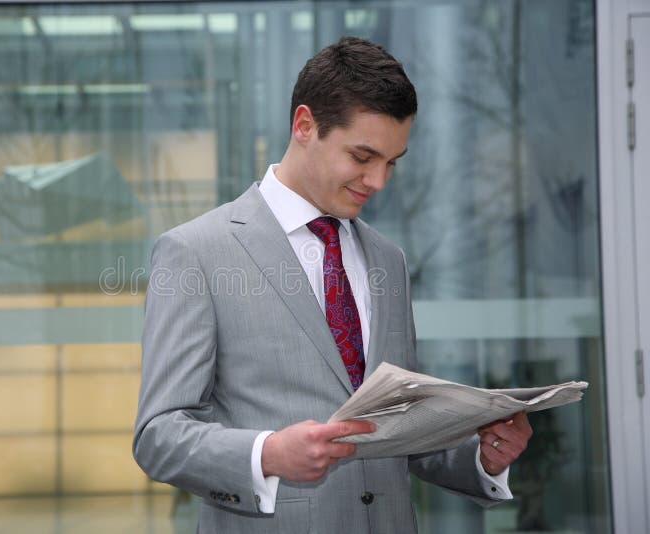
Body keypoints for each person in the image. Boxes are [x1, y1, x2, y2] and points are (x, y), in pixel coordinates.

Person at [133, 36, 532, 533]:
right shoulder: (195, 252)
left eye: (391, 161)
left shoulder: (389, 259)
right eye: (363, 156)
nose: (379, 180)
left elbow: (396, 429)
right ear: (305, 125)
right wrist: (268, 455)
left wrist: (483, 461)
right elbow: (159, 435)